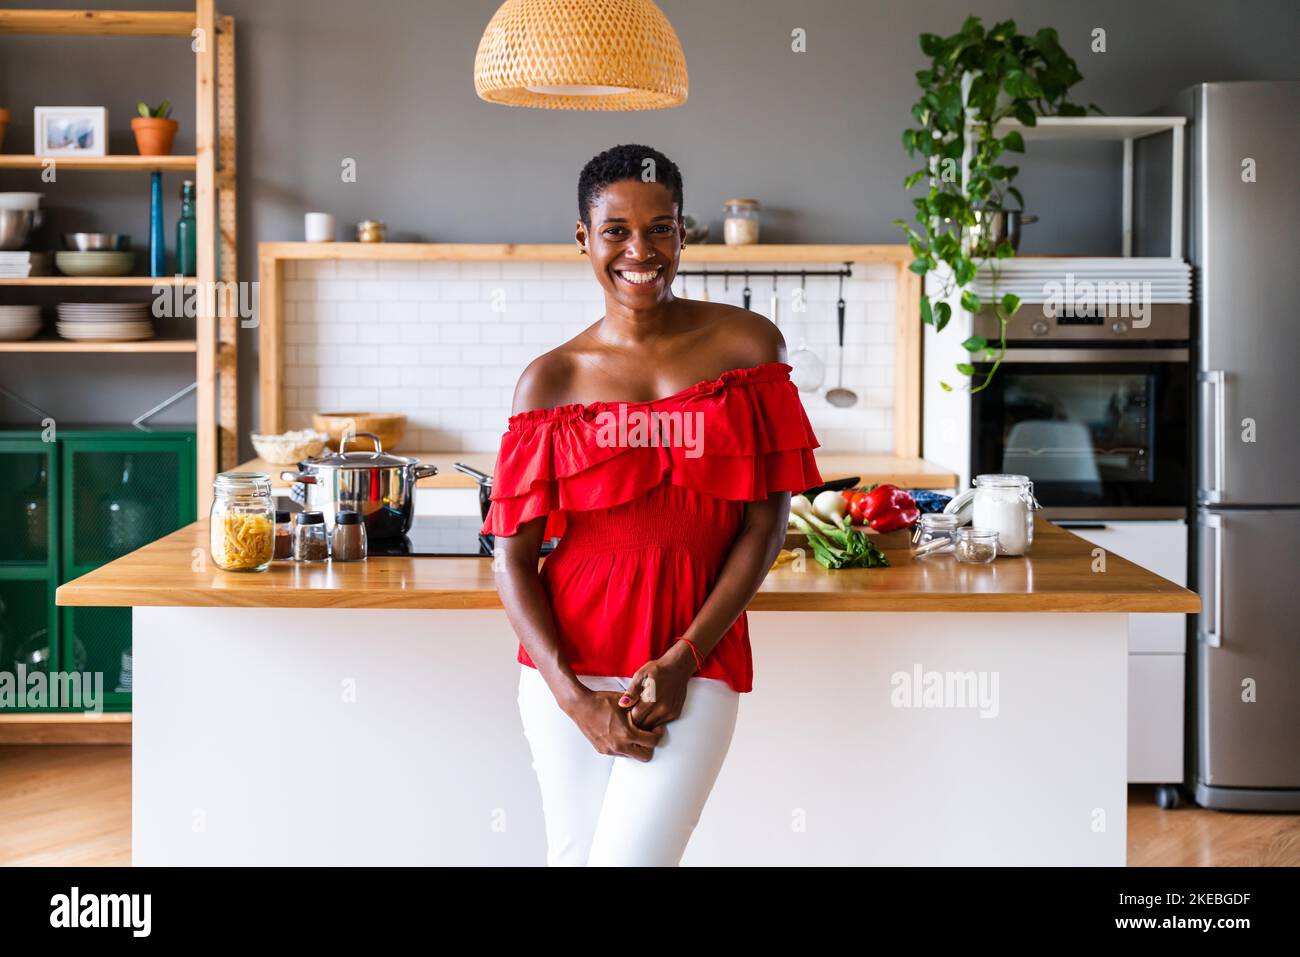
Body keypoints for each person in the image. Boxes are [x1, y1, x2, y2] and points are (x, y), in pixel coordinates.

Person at [483, 144, 824, 866]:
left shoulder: (748, 347)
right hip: (566, 672)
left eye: (660, 228)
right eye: (615, 231)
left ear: (682, 233)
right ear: (584, 237)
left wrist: (682, 656)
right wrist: (574, 697)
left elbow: (766, 522)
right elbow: (512, 558)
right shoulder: (549, 380)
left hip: (693, 665)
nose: (640, 250)